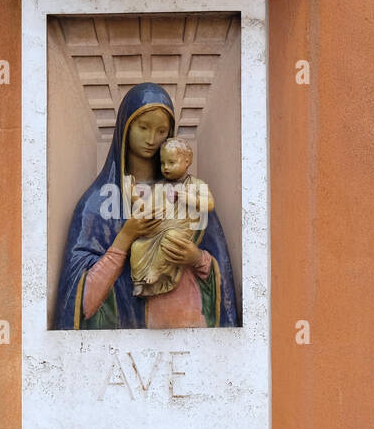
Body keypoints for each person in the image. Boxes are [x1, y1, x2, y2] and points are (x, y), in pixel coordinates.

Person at [54, 82, 238, 329]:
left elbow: (220, 280)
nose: (152, 139)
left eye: (162, 131)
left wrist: (196, 259)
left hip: (187, 328)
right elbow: (79, 301)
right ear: (126, 127)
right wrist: (126, 236)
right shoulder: (97, 203)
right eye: (143, 128)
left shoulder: (188, 191)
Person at [129, 136, 214, 301]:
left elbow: (209, 204)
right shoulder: (160, 187)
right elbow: (147, 209)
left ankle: (156, 272)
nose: (166, 167)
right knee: (137, 246)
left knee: (171, 240)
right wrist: (133, 196)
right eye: (162, 163)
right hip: (157, 231)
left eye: (171, 162)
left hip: (179, 231)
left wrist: (191, 199)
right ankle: (139, 281)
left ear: (187, 161)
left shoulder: (195, 184)